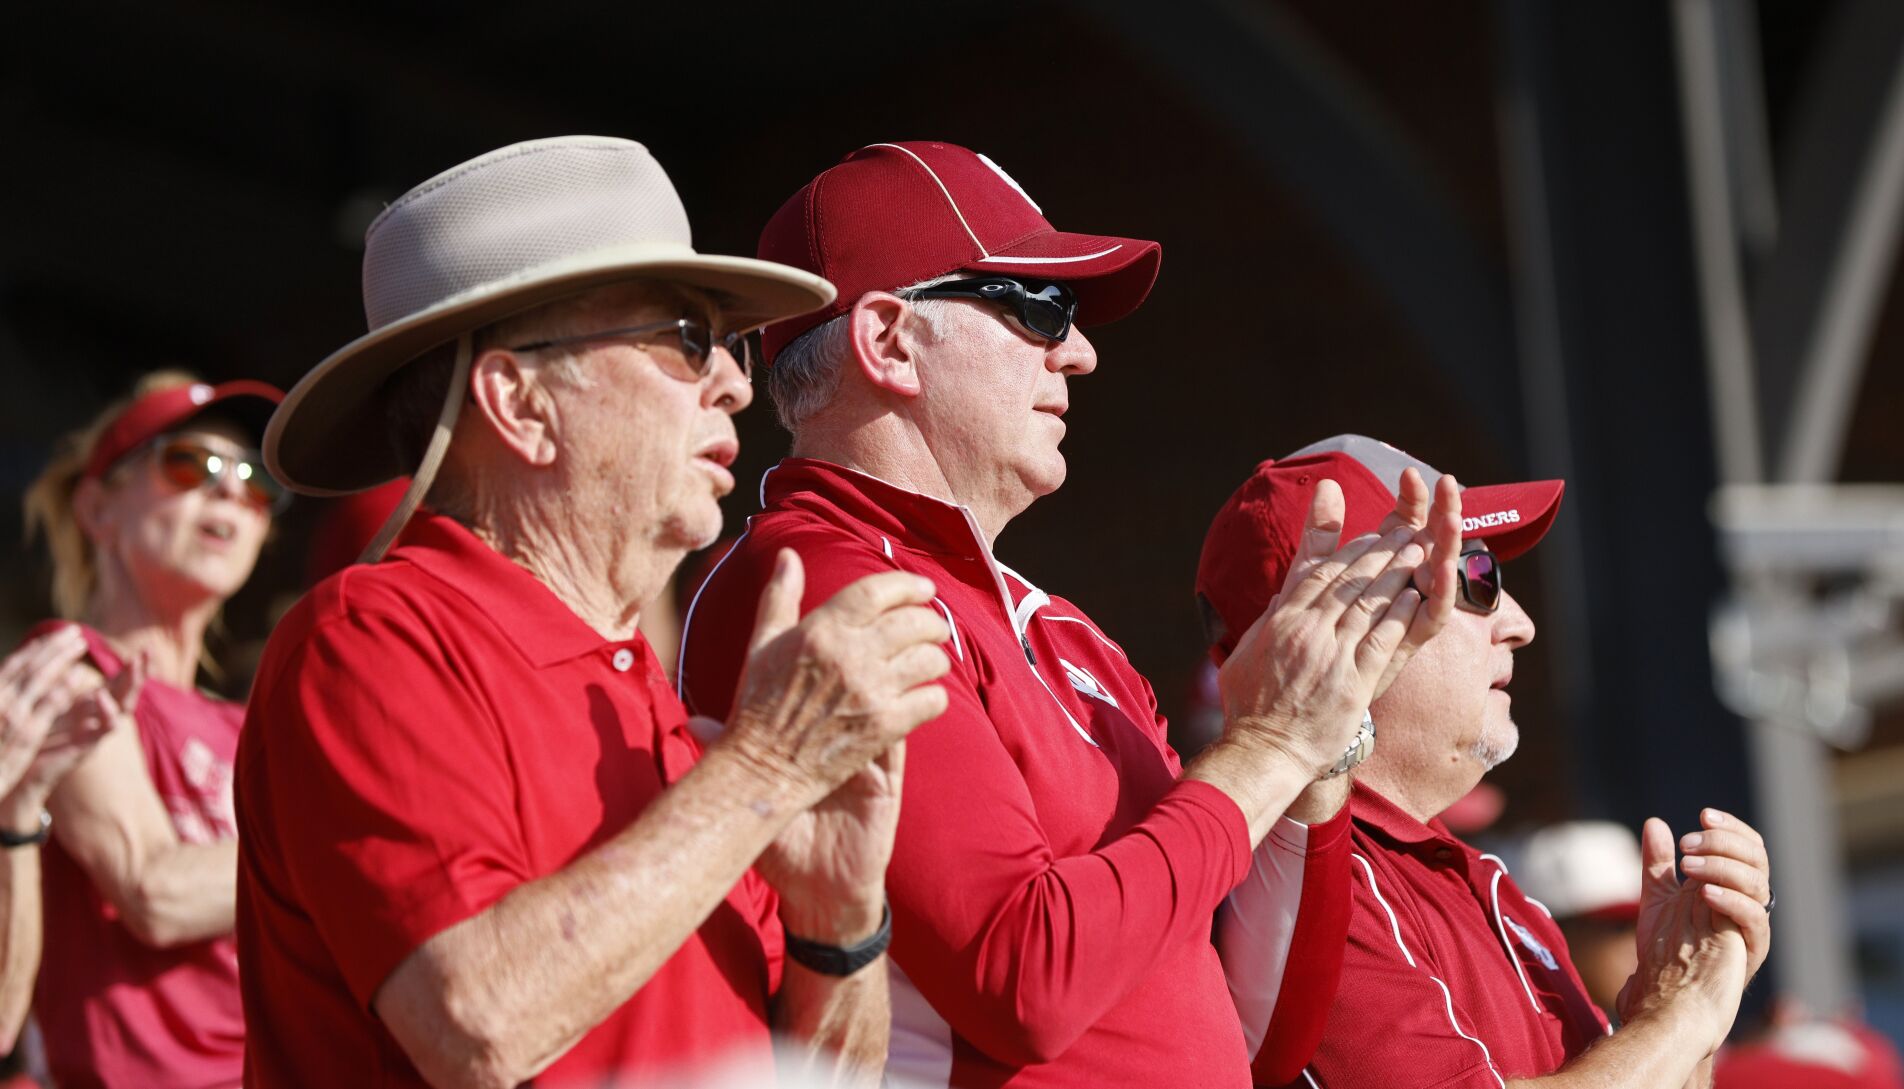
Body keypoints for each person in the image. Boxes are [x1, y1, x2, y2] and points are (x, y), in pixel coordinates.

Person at [677, 140, 1465, 1088]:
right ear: (888, 341)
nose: (1081, 352)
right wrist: (1272, 746)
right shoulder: (816, 578)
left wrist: (1319, 753)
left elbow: (1260, 1039)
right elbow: (1028, 982)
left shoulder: (1059, 625)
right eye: (1039, 308)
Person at [236, 135, 955, 1089]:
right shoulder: (372, 634)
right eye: (688, 336)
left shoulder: (659, 701)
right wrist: (768, 766)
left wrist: (841, 920)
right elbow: (474, 1025)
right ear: (521, 403)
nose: (737, 383)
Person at [1199, 434, 1774, 1088]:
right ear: (1342, 621)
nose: (1520, 622)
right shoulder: (1313, 883)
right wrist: (1681, 1015)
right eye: (1476, 578)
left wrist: (1683, 1020)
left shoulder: (1477, 878)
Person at [6, 370, 286, 1089]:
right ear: (97, 507)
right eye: (191, 464)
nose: (231, 492)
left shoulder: (249, 721)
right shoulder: (68, 673)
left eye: (257, 484)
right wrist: (353, 844)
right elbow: (155, 891)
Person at [1509, 821, 1644, 1019]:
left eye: (1644, 925)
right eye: (1619, 927)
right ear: (1554, 934)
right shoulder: (1519, 1024)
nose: (1643, 943)